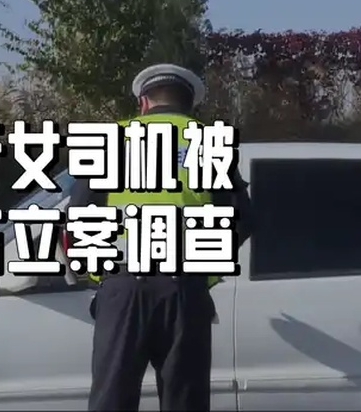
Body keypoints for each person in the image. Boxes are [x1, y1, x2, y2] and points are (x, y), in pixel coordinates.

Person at [67, 63, 253, 411]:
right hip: (184, 290)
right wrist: (205, 273)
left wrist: (100, 277)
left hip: (123, 289)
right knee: (185, 401)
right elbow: (243, 219)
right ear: (189, 106)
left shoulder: (112, 140)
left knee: (111, 400)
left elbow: (79, 215)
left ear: (143, 103)